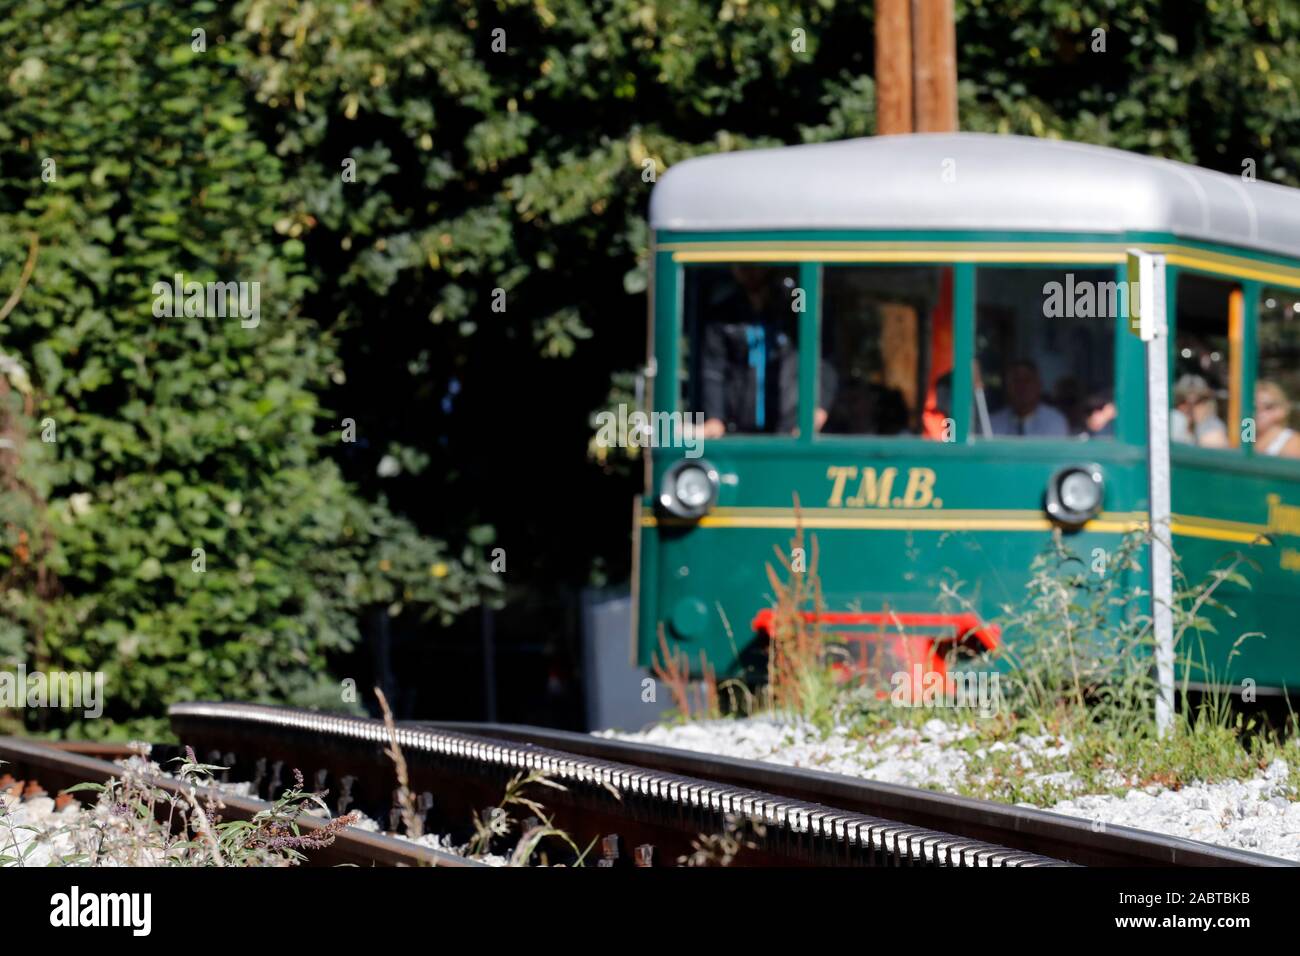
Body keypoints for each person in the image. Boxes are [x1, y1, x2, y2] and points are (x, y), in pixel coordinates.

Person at [698, 267, 833, 438]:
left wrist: (819, 408)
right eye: (741, 264)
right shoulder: (724, 312)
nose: (749, 269)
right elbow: (713, 370)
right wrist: (714, 417)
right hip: (739, 427)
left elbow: (823, 358)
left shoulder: (794, 304)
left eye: (755, 264)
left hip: (791, 426)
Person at [989, 360, 1069, 437]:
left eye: (1027, 380)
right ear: (1007, 387)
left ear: (1039, 385)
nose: (1021, 387)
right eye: (1016, 381)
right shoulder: (993, 423)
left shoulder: (1055, 421)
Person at [1171, 374, 1228, 447]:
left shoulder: (1211, 425)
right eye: (1182, 400)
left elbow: (1217, 444)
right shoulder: (1173, 421)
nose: (1190, 407)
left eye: (1198, 401)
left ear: (1207, 405)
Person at [1256, 380, 1300, 458]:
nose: (1259, 411)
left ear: (1283, 410)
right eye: (1254, 407)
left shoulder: (1293, 442)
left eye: (1268, 407)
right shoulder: (1245, 437)